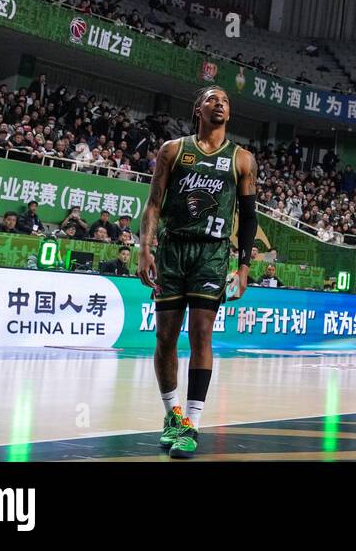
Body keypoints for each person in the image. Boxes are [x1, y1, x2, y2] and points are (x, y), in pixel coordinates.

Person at [138, 87, 258, 459]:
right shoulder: (173, 150)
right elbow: (154, 203)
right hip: (173, 248)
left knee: (202, 334)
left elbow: (250, 216)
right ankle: (172, 414)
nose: (219, 103)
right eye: (212, 98)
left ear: (229, 113)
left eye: (225, 100)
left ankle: (192, 422)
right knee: (165, 338)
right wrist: (145, 248)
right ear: (198, 109)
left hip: (212, 252)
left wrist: (243, 266)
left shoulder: (242, 159)